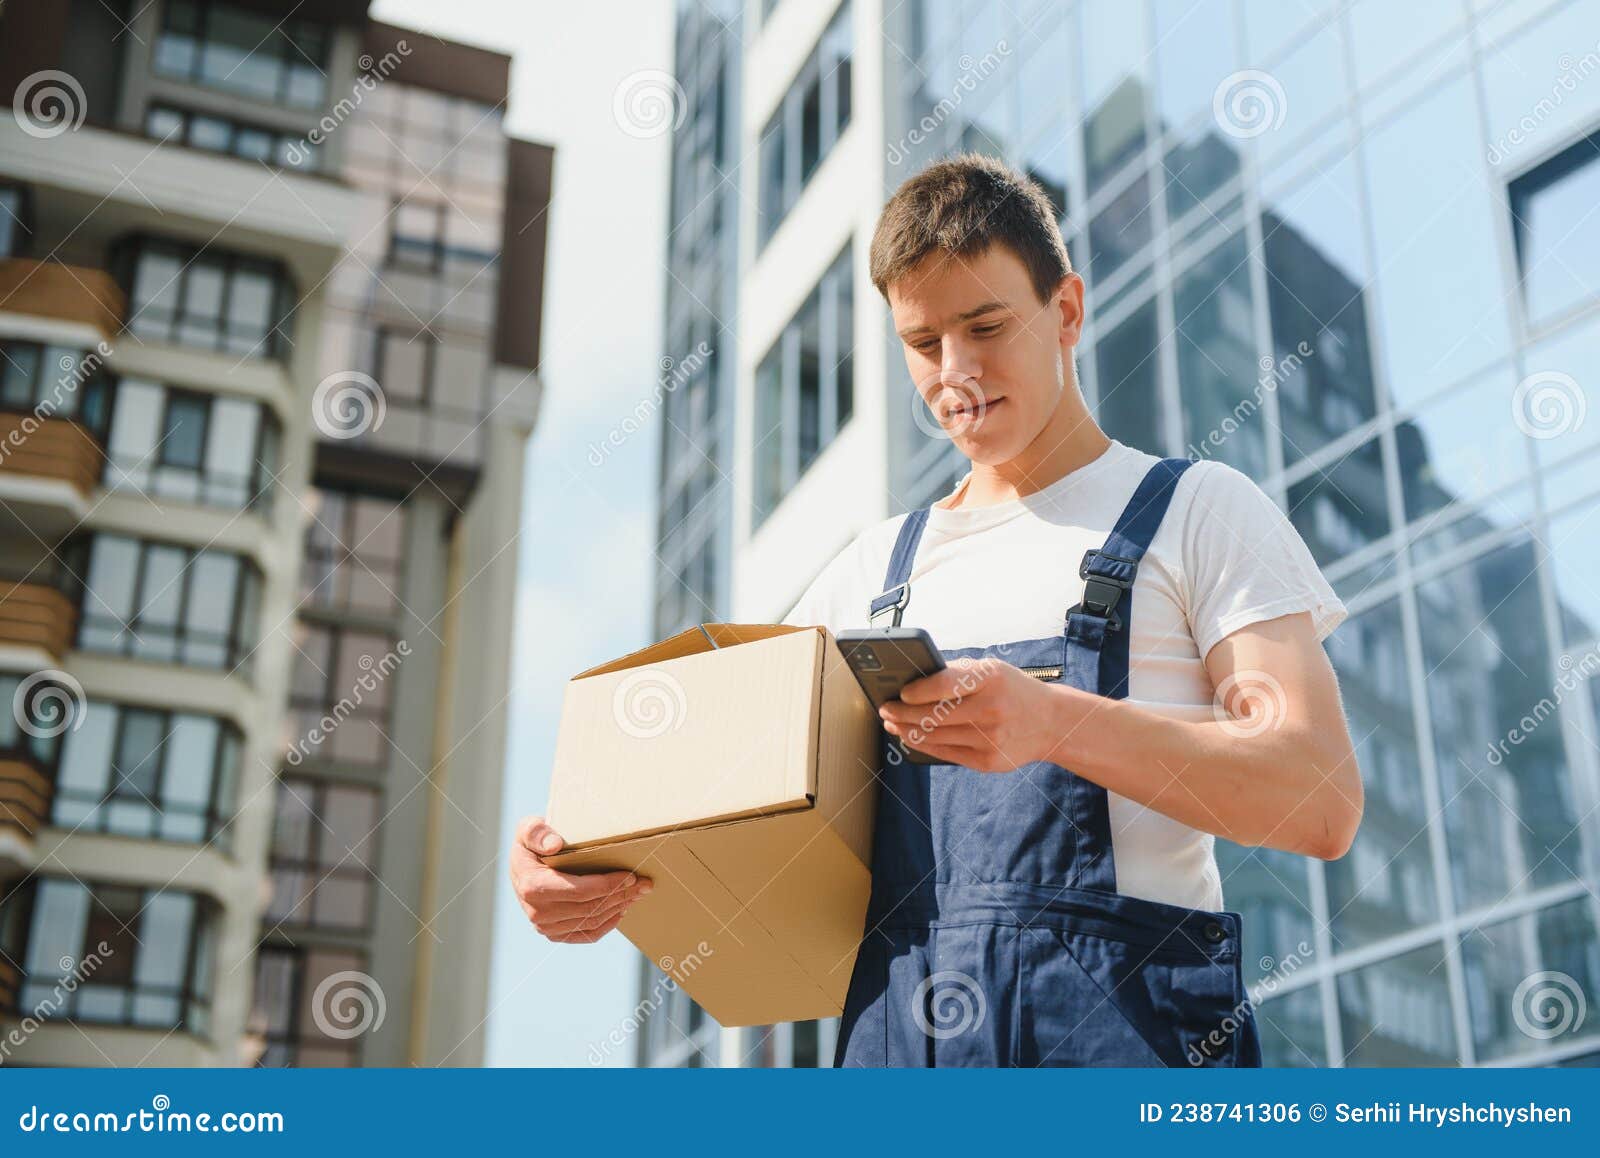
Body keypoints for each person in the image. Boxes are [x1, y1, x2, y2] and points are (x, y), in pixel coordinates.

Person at [510, 153, 1361, 1067]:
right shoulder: (870, 577)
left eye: (987, 326)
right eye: (922, 344)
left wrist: (1052, 723)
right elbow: (703, 784)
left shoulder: (1196, 511)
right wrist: (572, 855)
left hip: (1131, 1040)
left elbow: (1318, 802)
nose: (955, 373)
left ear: (1066, 310)